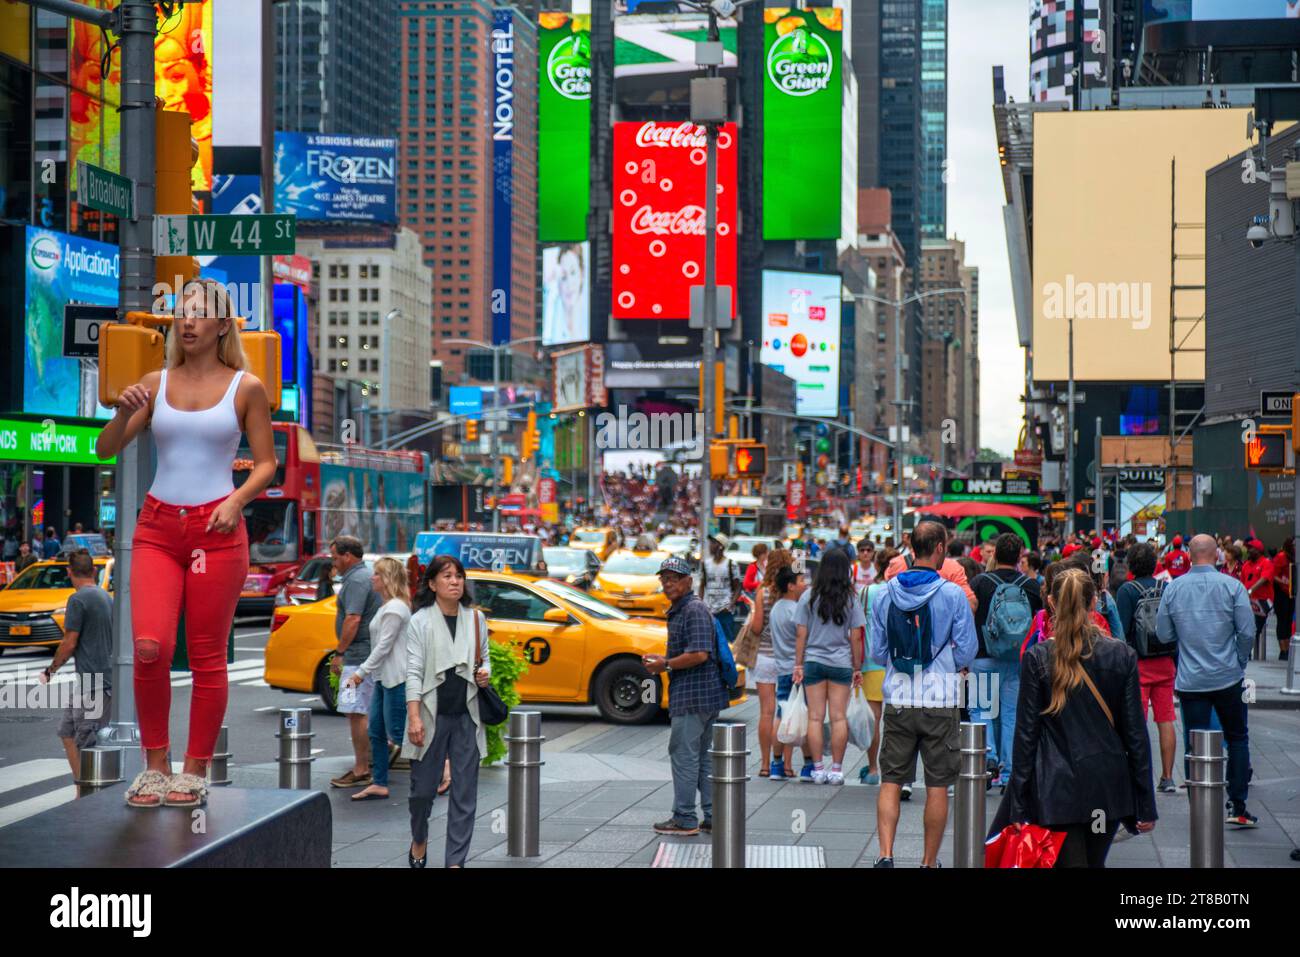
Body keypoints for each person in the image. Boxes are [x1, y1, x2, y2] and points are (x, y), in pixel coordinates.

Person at [97, 277, 275, 809]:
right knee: (149, 647)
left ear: (222, 326)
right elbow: (106, 450)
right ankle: (155, 766)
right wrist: (124, 410)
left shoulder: (246, 387)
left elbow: (266, 464)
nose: (187, 320)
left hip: (216, 533)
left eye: (199, 313)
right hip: (156, 528)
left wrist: (236, 500)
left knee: (206, 658)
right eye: (181, 311)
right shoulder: (154, 382)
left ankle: (193, 771)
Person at [1006, 569, 1158, 867]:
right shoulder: (1121, 655)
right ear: (1094, 603)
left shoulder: (1038, 657)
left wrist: (1018, 804)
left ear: (1051, 602)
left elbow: (1026, 735)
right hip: (1105, 786)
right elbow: (1135, 734)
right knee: (1094, 860)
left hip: (1056, 786)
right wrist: (1145, 803)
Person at [870, 521, 978, 867]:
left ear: (911, 548)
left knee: (890, 779)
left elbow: (876, 651)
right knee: (937, 784)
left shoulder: (884, 593)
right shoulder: (952, 594)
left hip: (898, 697)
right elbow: (967, 651)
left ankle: (886, 855)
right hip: (940, 698)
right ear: (941, 549)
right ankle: (928, 862)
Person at [1156, 534, 1259, 827]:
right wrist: (1238, 661)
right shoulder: (1233, 587)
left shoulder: (1174, 589)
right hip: (1228, 677)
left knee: (1194, 742)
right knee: (1238, 737)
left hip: (1191, 681)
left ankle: (1199, 804)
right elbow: (1247, 632)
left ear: (1189, 556)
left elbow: (1163, 634)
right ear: (1217, 555)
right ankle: (1238, 804)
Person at [404, 555, 493, 868]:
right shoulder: (420, 621)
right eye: (447, 576)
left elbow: (484, 660)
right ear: (432, 583)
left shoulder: (475, 619)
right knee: (421, 793)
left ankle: (455, 862)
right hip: (429, 716)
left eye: (459, 576)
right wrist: (414, 716)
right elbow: (413, 671)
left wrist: (484, 675)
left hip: (467, 716)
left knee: (464, 794)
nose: (455, 581)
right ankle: (419, 838)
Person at [644, 556, 730, 835]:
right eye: (664, 579)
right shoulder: (684, 609)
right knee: (702, 757)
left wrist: (666, 664)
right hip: (702, 695)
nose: (668, 584)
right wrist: (666, 659)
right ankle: (712, 816)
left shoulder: (693, 609)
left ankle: (684, 818)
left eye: (674, 579)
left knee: (684, 755)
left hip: (694, 696)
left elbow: (699, 654)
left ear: (688, 582)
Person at [971, 533, 1043, 791]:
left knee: (981, 711)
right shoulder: (1031, 586)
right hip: (1016, 660)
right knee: (1012, 714)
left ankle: (986, 760)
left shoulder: (980, 582)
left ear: (995, 555)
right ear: (1019, 557)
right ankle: (1009, 770)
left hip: (982, 658)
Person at [39, 549, 113, 780]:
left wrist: (50, 671)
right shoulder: (105, 597)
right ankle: (82, 788)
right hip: (95, 681)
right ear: (93, 571)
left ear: (69, 572)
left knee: (85, 741)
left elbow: (69, 642)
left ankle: (89, 795)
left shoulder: (78, 599)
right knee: (67, 732)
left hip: (94, 682)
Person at [793, 548, 865, 785]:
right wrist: (857, 667)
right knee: (838, 718)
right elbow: (856, 636)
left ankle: (818, 769)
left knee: (815, 718)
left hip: (813, 661)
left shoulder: (808, 596)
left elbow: (800, 634)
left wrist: (798, 664)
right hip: (841, 662)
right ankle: (836, 770)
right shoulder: (851, 598)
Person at [347, 557, 413, 801]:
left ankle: (437, 771)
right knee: (376, 730)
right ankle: (380, 783)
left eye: (376, 574)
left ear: (386, 579)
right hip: (384, 679)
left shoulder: (395, 608)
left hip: (396, 678)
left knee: (399, 732)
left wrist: (360, 673)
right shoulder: (387, 606)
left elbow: (384, 646)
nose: (372, 577)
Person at [1114, 542, 1177, 793]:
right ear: (1154, 564)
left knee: (1135, 722)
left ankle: (1138, 776)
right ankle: (1168, 777)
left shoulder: (1127, 590)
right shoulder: (1167, 587)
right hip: (1165, 662)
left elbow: (1121, 630)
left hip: (1137, 664)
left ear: (1130, 564)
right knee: (1166, 719)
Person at [328, 535, 382, 789]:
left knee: (355, 711)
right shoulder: (362, 577)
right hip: (362, 655)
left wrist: (339, 652)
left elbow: (352, 618)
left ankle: (362, 768)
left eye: (335, 557)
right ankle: (376, 757)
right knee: (362, 711)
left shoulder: (357, 581)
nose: (334, 562)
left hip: (356, 658)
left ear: (348, 556)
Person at [856, 546, 897, 784]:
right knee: (896, 722)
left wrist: (856, 666)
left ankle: (873, 770)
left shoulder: (867, 592)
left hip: (872, 662)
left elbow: (858, 630)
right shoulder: (905, 593)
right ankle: (895, 771)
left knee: (874, 718)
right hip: (899, 664)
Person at [752, 549, 792, 778]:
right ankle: (785, 764)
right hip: (786, 659)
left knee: (766, 712)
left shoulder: (763, 593)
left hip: (765, 657)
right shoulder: (791, 593)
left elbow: (757, 628)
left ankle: (765, 764)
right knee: (786, 712)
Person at [769, 565, 809, 779]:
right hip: (797, 669)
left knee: (781, 714)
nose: (805, 584)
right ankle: (809, 764)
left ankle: (776, 764)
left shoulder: (776, 609)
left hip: (782, 667)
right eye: (801, 580)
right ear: (791, 586)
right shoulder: (795, 610)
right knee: (802, 715)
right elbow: (804, 637)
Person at [699, 534, 741, 641]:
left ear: (721, 546)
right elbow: (702, 585)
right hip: (709, 612)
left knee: (727, 643)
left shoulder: (731, 564)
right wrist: (700, 604)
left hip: (725, 612)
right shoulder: (706, 564)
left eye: (713, 543)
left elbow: (737, 587)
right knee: (709, 642)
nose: (710, 546)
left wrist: (730, 604)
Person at [1240, 540, 1274, 657]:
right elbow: (1242, 582)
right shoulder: (1246, 565)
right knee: (1243, 623)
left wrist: (1250, 590)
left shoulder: (1266, 563)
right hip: (1249, 600)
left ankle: (1247, 651)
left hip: (1264, 600)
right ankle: (1246, 650)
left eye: (1251, 548)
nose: (1249, 550)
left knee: (1254, 625)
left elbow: (1264, 579)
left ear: (1258, 550)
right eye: (1248, 548)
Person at [1272, 538, 1293, 662]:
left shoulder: (1293, 557)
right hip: (1282, 594)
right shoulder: (1281, 557)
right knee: (1282, 621)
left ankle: (1288, 649)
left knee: (1288, 621)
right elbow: (1274, 575)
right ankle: (1283, 650)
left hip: (1291, 594)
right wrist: (1285, 582)